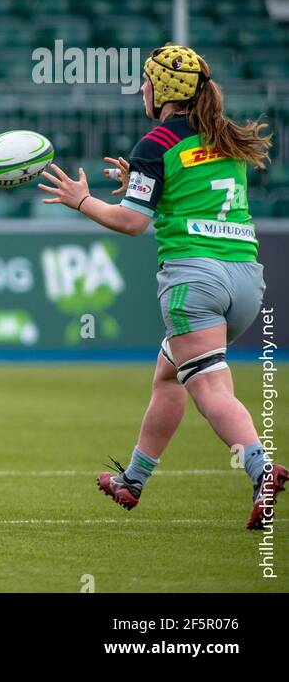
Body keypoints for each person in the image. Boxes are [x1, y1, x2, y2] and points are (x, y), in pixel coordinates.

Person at [38, 44, 286, 529]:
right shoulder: (225, 135)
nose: (143, 90)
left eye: (147, 82)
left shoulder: (157, 141)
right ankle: (132, 480)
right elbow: (192, 190)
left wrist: (80, 200)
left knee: (210, 388)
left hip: (194, 280)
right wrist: (141, 180)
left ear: (163, 91)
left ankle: (261, 470)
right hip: (245, 280)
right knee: (169, 373)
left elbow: (132, 222)